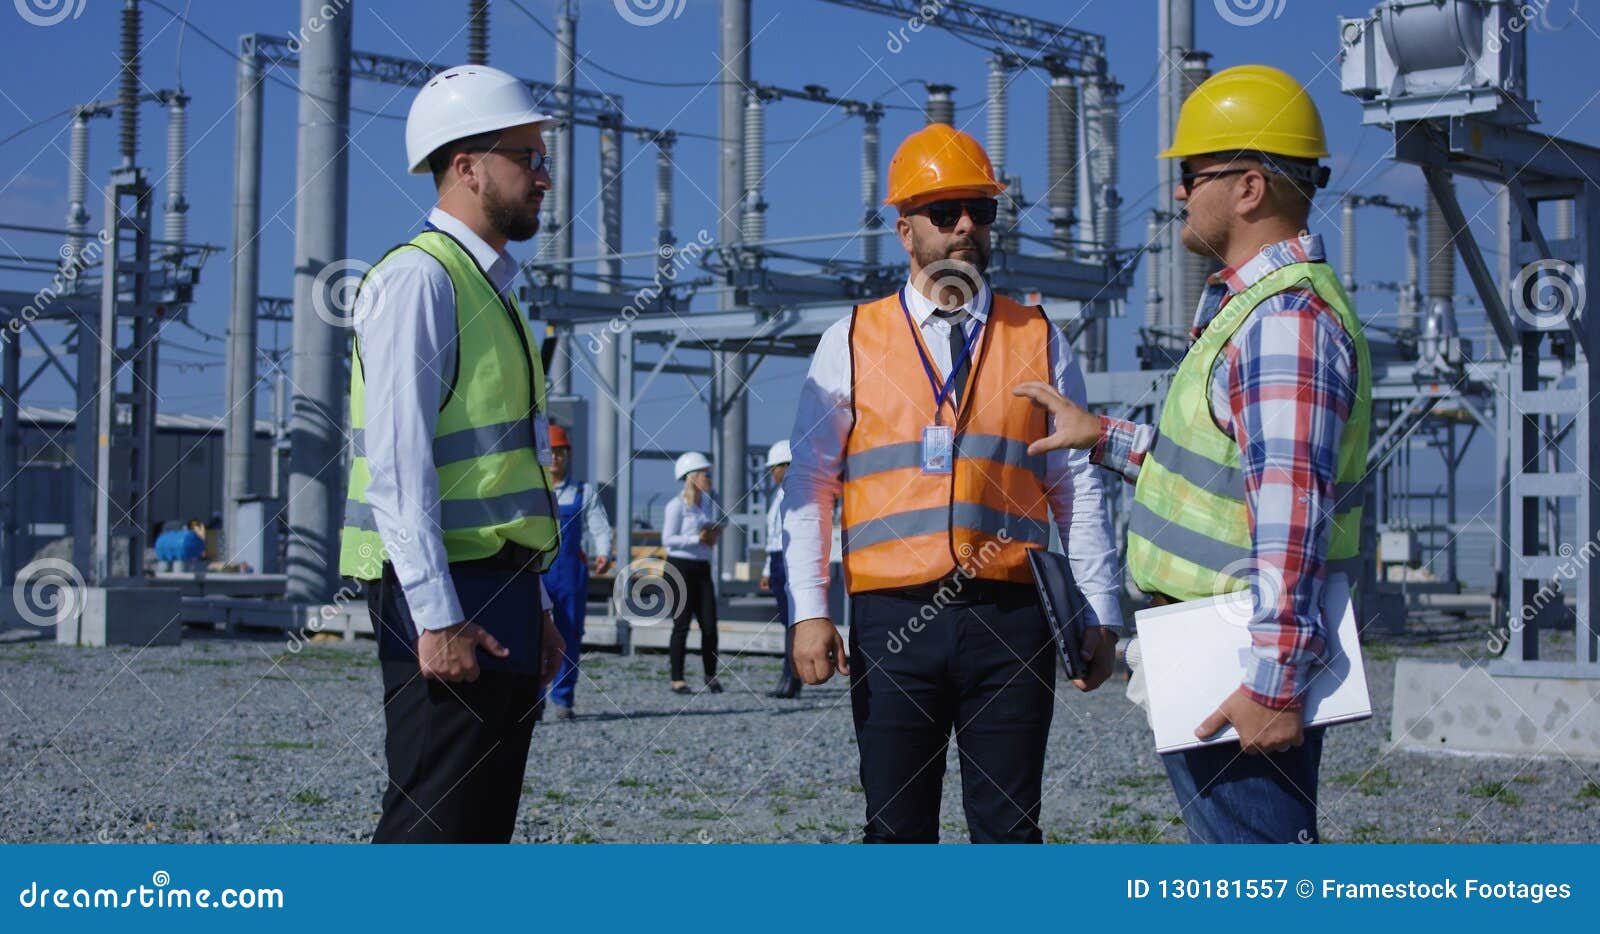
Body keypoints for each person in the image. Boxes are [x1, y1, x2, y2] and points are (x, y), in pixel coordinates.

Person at [1017, 65, 1372, 844]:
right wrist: (1100, 434)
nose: (1178, 193)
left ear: (1249, 188)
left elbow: (1290, 512)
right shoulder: (1255, 313)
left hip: (1237, 653)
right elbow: (1222, 471)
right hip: (1216, 640)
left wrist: (1274, 686)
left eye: (1190, 174)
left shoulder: (1284, 323)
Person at [781, 123, 1124, 844]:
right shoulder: (850, 339)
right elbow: (809, 486)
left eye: (981, 210)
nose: (966, 226)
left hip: (1011, 620)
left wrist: (1100, 608)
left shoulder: (1037, 336)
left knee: (1009, 830)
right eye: (945, 213)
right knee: (895, 829)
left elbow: (1076, 487)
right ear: (905, 231)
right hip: (892, 622)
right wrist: (808, 610)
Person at [336, 63, 568, 844]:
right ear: (466, 167)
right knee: (432, 827)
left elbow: (504, 476)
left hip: (497, 591)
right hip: (442, 597)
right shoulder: (419, 281)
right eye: (526, 157)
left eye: (543, 158)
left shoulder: (490, 287)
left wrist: (535, 605)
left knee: (477, 832)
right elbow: (400, 469)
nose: (543, 177)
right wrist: (436, 619)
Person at [541, 423, 615, 720]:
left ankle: (563, 699)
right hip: (538, 573)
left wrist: (604, 552)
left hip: (571, 573)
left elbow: (598, 524)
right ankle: (534, 699)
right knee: (534, 635)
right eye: (551, 452)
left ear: (568, 455)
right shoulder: (534, 490)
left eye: (561, 452)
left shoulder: (584, 492)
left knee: (569, 633)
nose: (556, 458)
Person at [661, 452, 723, 695]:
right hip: (679, 568)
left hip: (702, 567)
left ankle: (710, 675)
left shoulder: (707, 505)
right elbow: (667, 539)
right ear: (693, 477)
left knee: (710, 625)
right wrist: (696, 538)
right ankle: (677, 679)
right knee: (682, 625)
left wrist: (713, 536)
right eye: (705, 473)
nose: (709, 477)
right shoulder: (675, 506)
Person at [758, 440, 800, 699]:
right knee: (786, 621)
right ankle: (789, 675)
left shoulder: (793, 493)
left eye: (775, 468)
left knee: (792, 621)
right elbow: (773, 535)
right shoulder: (779, 495)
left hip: (787, 560)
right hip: (777, 559)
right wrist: (766, 569)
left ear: (786, 466)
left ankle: (792, 676)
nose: (772, 473)